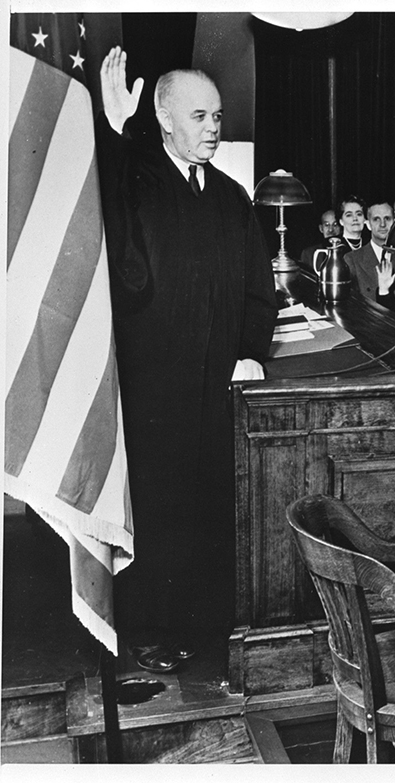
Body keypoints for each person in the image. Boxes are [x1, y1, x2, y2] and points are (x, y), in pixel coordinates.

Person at [99, 47, 278, 672]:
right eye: (199, 116)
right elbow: (116, 253)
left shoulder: (232, 198)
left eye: (218, 116)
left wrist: (251, 351)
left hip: (220, 386)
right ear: (165, 117)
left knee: (212, 506)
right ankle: (149, 631)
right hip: (157, 389)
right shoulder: (137, 179)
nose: (212, 127)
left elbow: (261, 291)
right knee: (159, 510)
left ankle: (204, 628)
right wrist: (118, 135)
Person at [343, 200, 395, 309]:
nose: (382, 224)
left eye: (387, 218)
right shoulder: (352, 259)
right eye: (376, 219)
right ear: (368, 224)